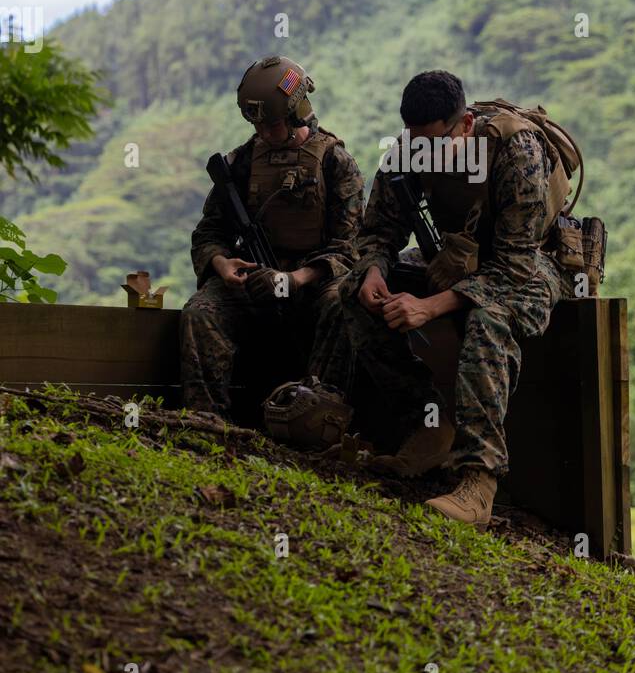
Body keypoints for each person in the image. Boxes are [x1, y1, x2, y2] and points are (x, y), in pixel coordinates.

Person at [342, 69, 578, 528]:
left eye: (436, 144)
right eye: (417, 144)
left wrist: (430, 306)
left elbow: (512, 268)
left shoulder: (516, 152)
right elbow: (377, 232)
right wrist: (374, 270)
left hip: (533, 260)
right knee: (351, 292)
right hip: (455, 256)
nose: (424, 155)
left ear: (465, 125)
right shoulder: (409, 152)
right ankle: (428, 426)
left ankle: (479, 482)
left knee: (489, 319)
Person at [180, 55, 364, 421]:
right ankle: (206, 421)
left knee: (342, 305)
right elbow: (209, 233)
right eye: (256, 124)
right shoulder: (241, 164)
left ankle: (314, 420)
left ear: (297, 113)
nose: (264, 133)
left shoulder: (335, 163)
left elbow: (350, 248)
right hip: (254, 279)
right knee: (199, 312)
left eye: (273, 124)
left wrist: (296, 279)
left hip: (314, 283)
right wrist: (222, 263)